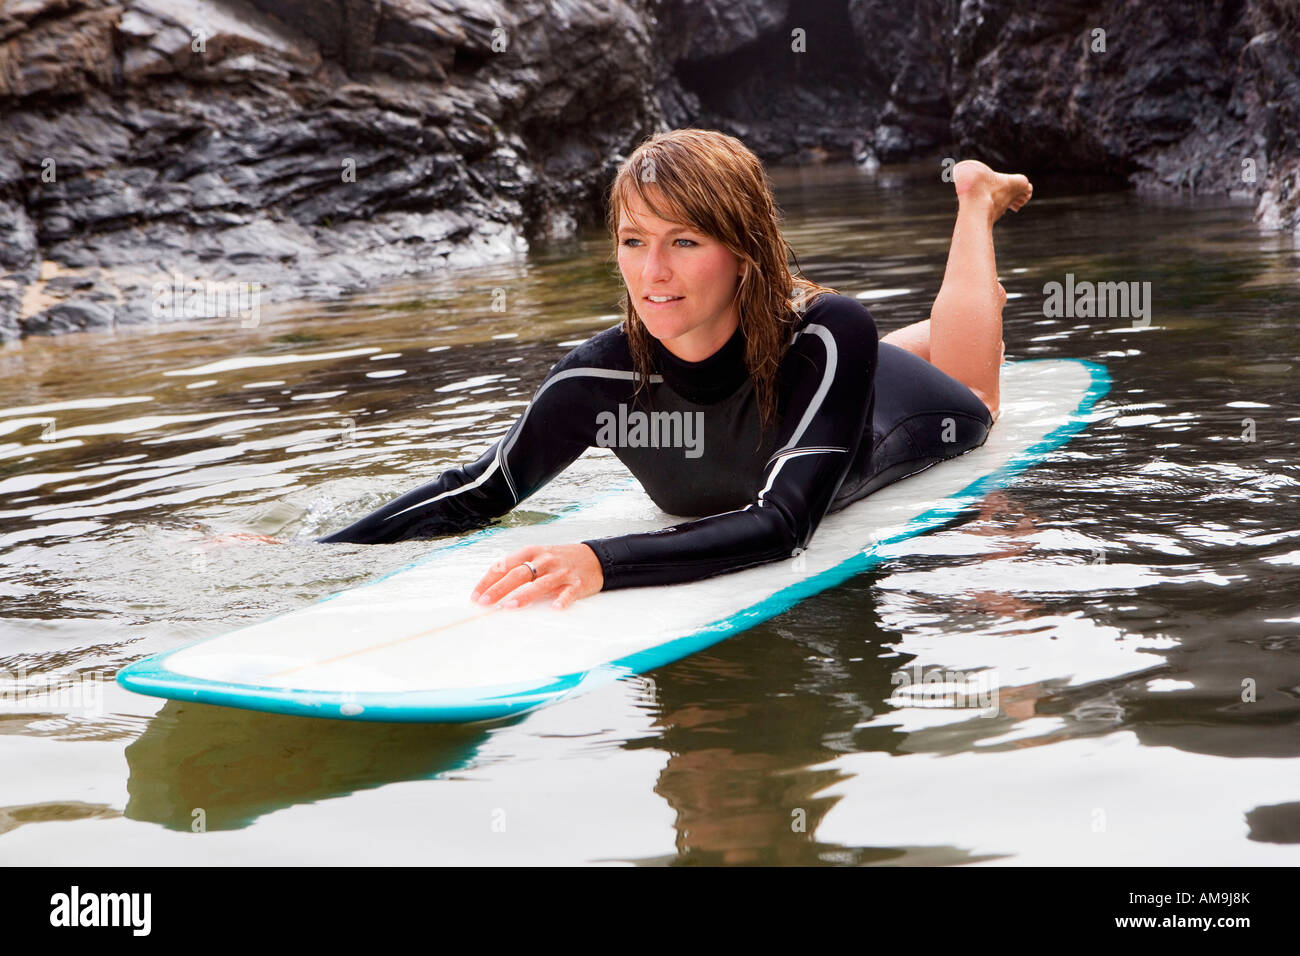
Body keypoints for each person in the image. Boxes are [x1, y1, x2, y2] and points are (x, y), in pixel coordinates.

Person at [315, 128, 1032, 612]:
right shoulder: (597, 381)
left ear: (745, 250)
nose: (652, 272)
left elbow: (784, 524)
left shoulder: (829, 334)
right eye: (634, 240)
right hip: (822, 380)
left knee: (978, 396)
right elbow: (479, 490)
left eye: (685, 241)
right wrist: (316, 553)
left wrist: (602, 562)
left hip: (891, 412)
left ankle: (975, 203)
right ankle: (914, 332)